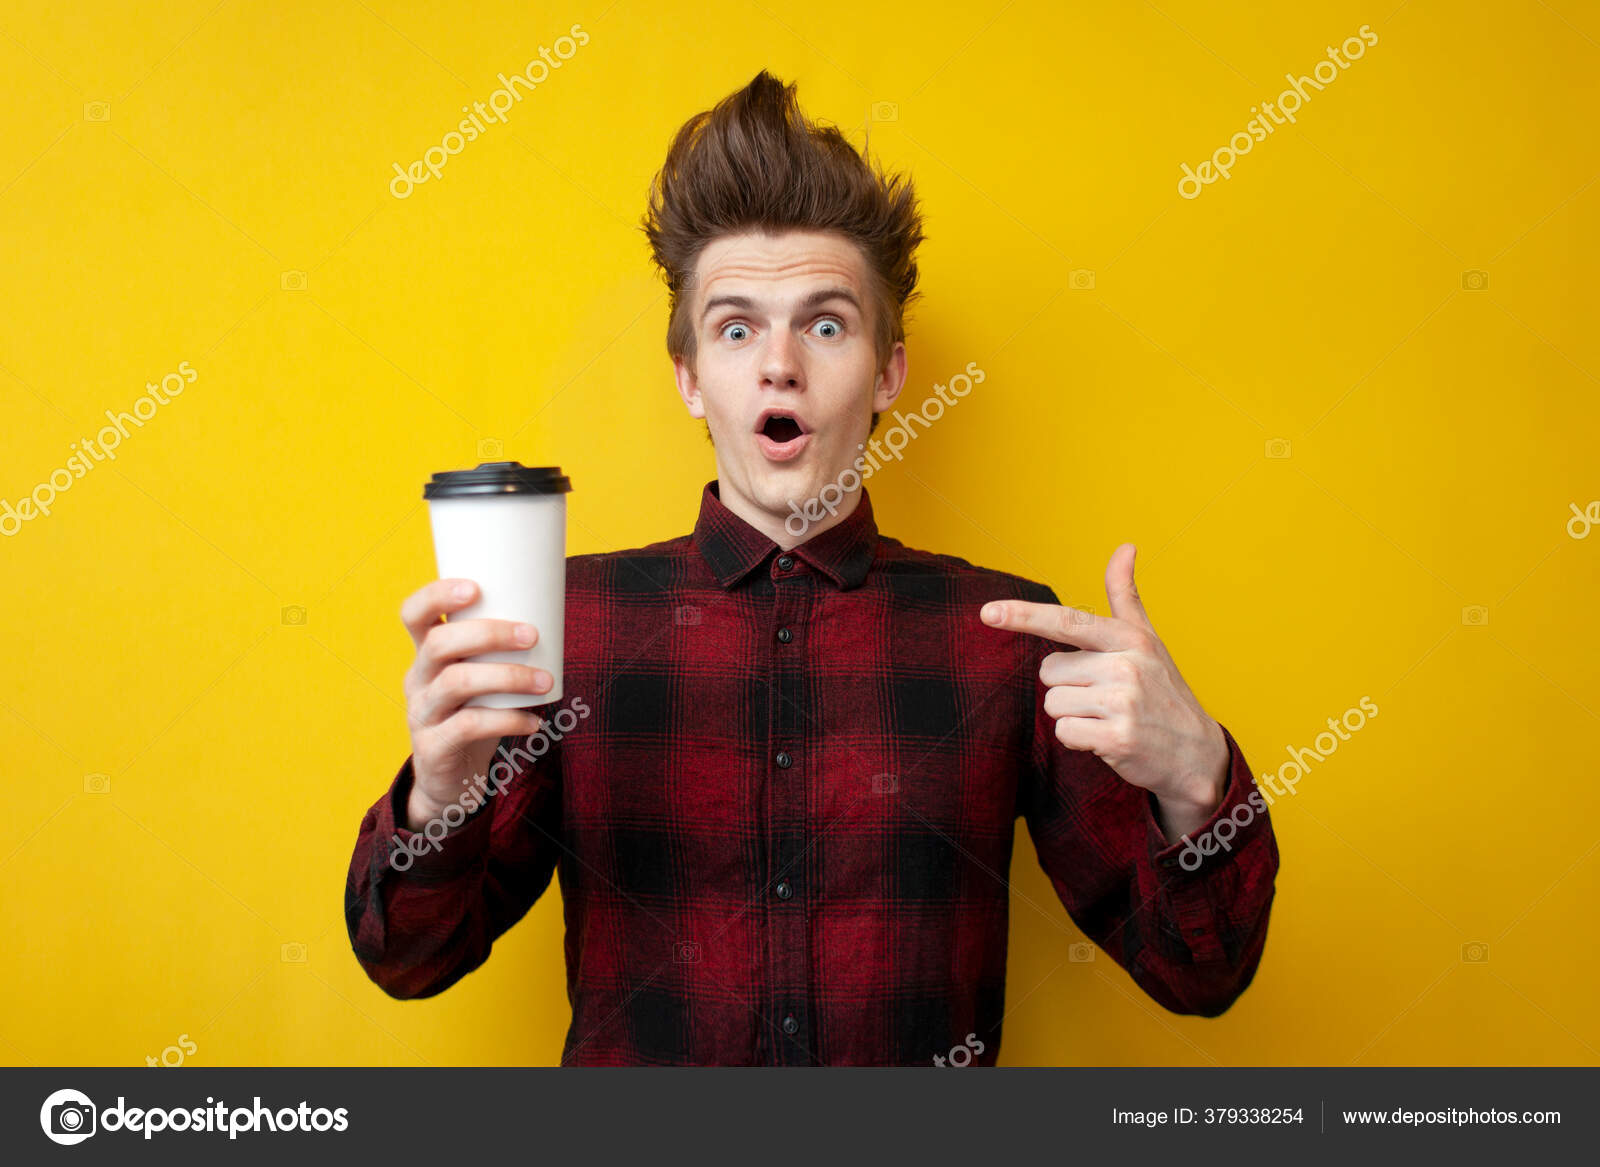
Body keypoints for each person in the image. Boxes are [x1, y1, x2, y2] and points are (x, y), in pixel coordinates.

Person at [344, 70, 1278, 1066]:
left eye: (824, 324)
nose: (778, 362)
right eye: (735, 327)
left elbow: (1196, 968)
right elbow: (410, 956)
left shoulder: (1005, 637)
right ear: (691, 380)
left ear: (886, 373)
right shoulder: (567, 627)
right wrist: (436, 798)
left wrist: (1197, 777)